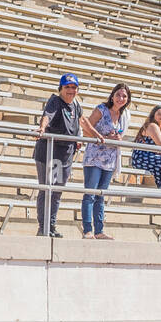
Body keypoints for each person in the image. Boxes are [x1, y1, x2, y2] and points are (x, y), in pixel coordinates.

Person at [34, 74, 101, 238]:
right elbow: (47, 116)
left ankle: (51, 225)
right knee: (47, 189)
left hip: (65, 155)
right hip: (50, 152)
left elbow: (83, 121)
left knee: (57, 192)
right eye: (67, 87)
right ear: (61, 88)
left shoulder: (76, 105)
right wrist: (42, 129)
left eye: (74, 87)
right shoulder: (55, 101)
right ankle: (44, 226)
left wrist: (96, 135)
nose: (71, 90)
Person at [80, 83, 131, 239]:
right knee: (91, 194)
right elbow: (85, 129)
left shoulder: (124, 115)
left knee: (101, 196)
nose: (120, 98)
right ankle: (87, 229)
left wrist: (117, 139)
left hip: (109, 160)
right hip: (95, 158)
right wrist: (104, 138)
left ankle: (99, 231)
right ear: (112, 95)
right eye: (118, 95)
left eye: (124, 96)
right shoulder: (101, 109)